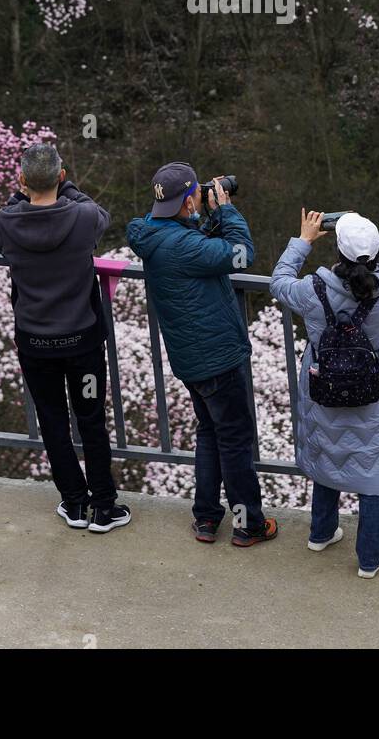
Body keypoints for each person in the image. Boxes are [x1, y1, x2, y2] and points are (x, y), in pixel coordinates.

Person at [127, 162, 276, 547]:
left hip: (189, 359)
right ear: (186, 200)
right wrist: (226, 210)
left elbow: (186, 241)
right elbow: (243, 254)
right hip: (219, 359)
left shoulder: (154, 235)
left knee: (210, 432)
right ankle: (249, 524)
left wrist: (194, 214)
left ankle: (207, 518)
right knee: (235, 441)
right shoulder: (185, 245)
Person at [0, 143, 129, 534]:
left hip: (35, 343)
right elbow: (101, 214)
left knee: (52, 421)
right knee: (91, 420)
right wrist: (67, 190)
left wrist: (21, 197)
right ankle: (104, 506)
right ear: (62, 176)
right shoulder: (82, 216)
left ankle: (75, 503)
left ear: (21, 180)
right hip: (82, 343)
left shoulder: (7, 220)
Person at [271, 208, 379, 578]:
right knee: (372, 466)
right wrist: (377, 237)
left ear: (337, 249)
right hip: (372, 389)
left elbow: (279, 280)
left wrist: (303, 241)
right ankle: (368, 560)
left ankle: (321, 533)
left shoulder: (310, 290)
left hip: (323, 383)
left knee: (326, 451)